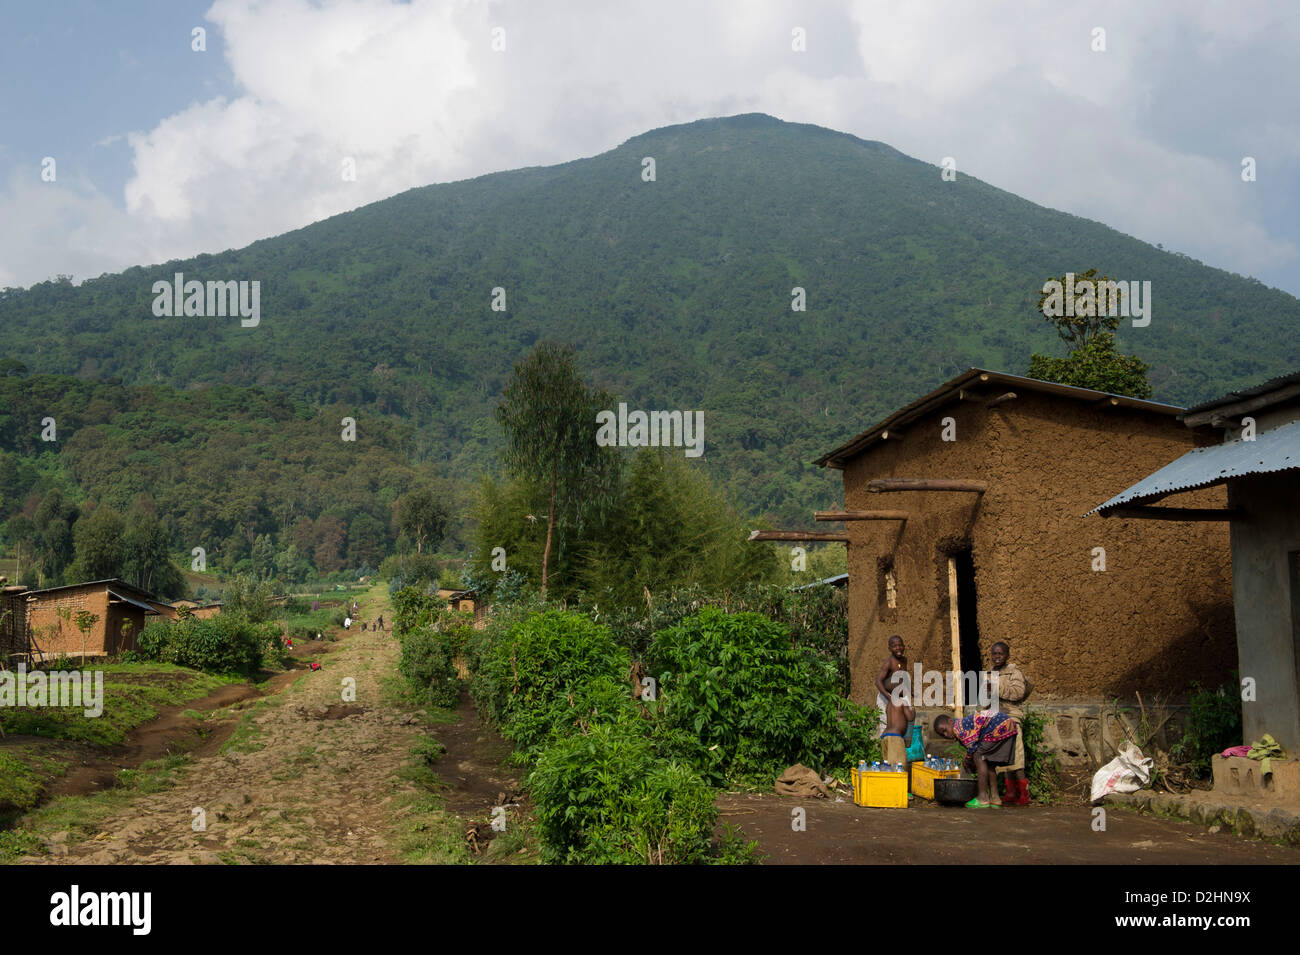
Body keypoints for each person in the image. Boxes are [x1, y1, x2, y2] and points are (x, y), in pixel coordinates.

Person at [933, 710, 1019, 808]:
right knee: (989, 762)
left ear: (950, 721)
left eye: (945, 730)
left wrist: (967, 760)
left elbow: (972, 748)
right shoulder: (963, 724)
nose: (945, 735)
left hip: (1000, 726)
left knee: (978, 756)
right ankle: (995, 798)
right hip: (1008, 724)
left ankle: (982, 797)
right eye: (942, 734)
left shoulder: (958, 728)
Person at [988, 641, 1032, 806]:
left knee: (1017, 756)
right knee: (1002, 758)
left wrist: (996, 687)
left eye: (1000, 654)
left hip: (1011, 717)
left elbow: (1018, 693)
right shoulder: (989, 672)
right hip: (995, 718)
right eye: (994, 654)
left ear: (1007, 655)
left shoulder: (1014, 672)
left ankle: (1024, 793)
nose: (997, 657)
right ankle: (1010, 792)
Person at [874, 635, 907, 737]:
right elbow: (878, 681)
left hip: (897, 697)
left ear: (904, 646)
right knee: (885, 724)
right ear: (890, 649)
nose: (898, 648)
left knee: (900, 723)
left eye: (900, 645)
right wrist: (888, 697)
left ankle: (899, 747)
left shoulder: (904, 660)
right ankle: (884, 748)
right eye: (894, 646)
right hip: (885, 697)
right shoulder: (889, 662)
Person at [882, 671, 915, 769]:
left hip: (885, 737)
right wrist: (913, 711)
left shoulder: (889, 704)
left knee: (888, 767)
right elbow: (910, 718)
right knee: (899, 767)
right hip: (895, 738)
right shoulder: (902, 702)